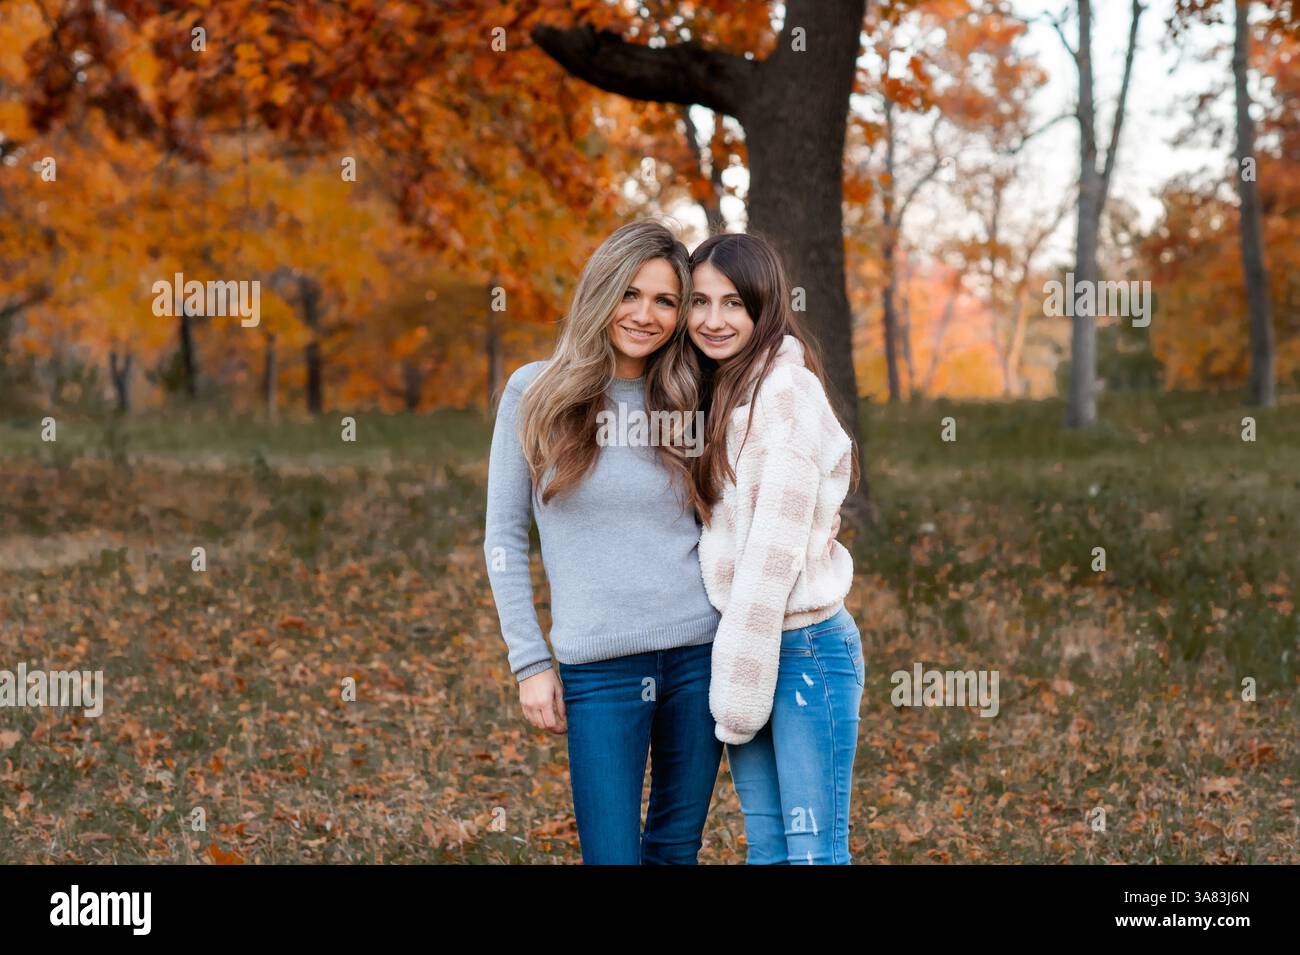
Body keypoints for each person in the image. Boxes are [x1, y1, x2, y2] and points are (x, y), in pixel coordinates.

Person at [483, 219, 722, 864]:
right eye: (631, 293)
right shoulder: (535, 394)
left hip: (698, 656)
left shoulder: (691, 396)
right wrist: (529, 662)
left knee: (674, 852)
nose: (646, 314)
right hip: (600, 667)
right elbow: (504, 537)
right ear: (602, 292)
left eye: (666, 300)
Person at [685, 232, 864, 864]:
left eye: (733, 303)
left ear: (764, 307)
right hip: (749, 646)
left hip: (800, 646)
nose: (713, 320)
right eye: (699, 302)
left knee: (813, 853)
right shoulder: (725, 393)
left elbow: (774, 550)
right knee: (767, 849)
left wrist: (740, 671)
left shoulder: (784, 395)